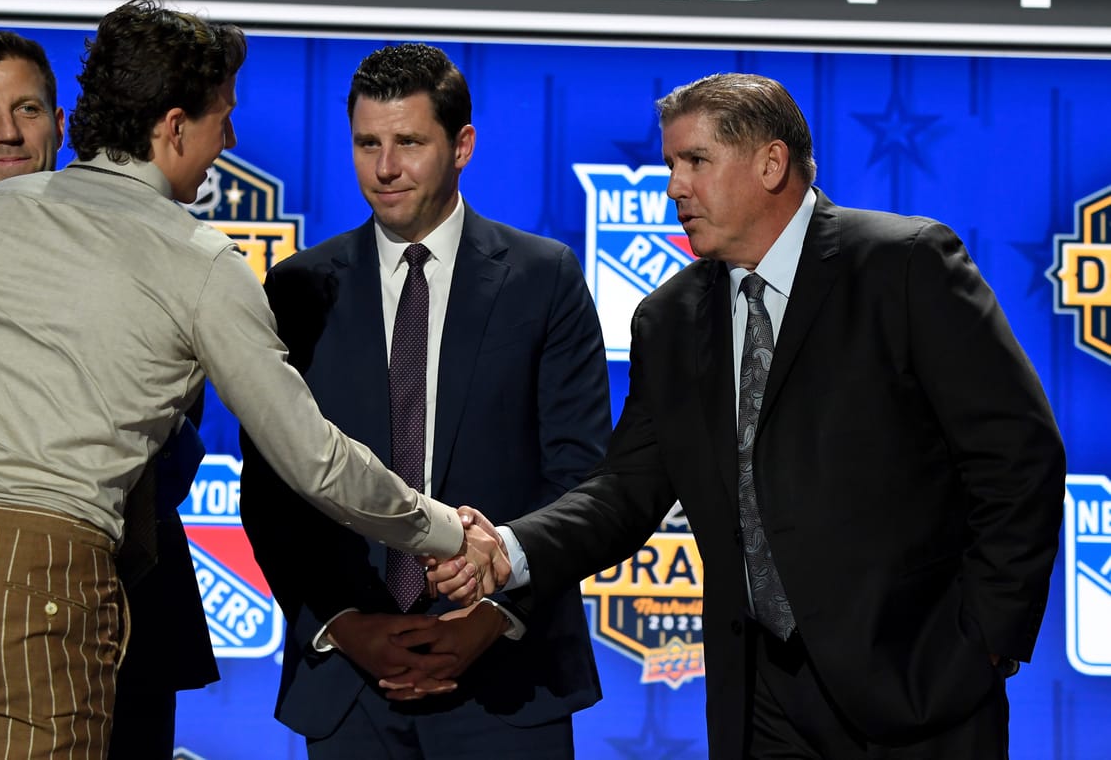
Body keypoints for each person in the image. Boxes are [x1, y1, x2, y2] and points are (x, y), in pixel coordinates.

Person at [0, 0, 499, 760]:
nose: (230, 140)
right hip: (42, 575)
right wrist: (445, 530)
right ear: (175, 127)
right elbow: (312, 458)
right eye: (223, 117)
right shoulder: (198, 262)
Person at [439, 72, 1067, 759]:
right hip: (760, 699)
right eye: (670, 164)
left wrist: (985, 641)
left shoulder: (904, 265)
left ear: (771, 164)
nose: (674, 187)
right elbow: (625, 491)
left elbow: (1018, 458)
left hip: (918, 687)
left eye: (695, 161)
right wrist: (511, 547)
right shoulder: (669, 320)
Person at [239, 42, 610, 759]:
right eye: (367, 144)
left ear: (461, 145)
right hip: (351, 682)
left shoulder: (544, 278)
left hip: (511, 679)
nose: (384, 168)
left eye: (408, 142)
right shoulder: (297, 287)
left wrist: (494, 612)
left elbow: (581, 480)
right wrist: (344, 622)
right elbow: (272, 487)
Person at [0, 28, 220, 760]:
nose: (8, 133)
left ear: (61, 124)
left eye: (27, 109)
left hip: (129, 612)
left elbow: (177, 448)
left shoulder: (165, 258)